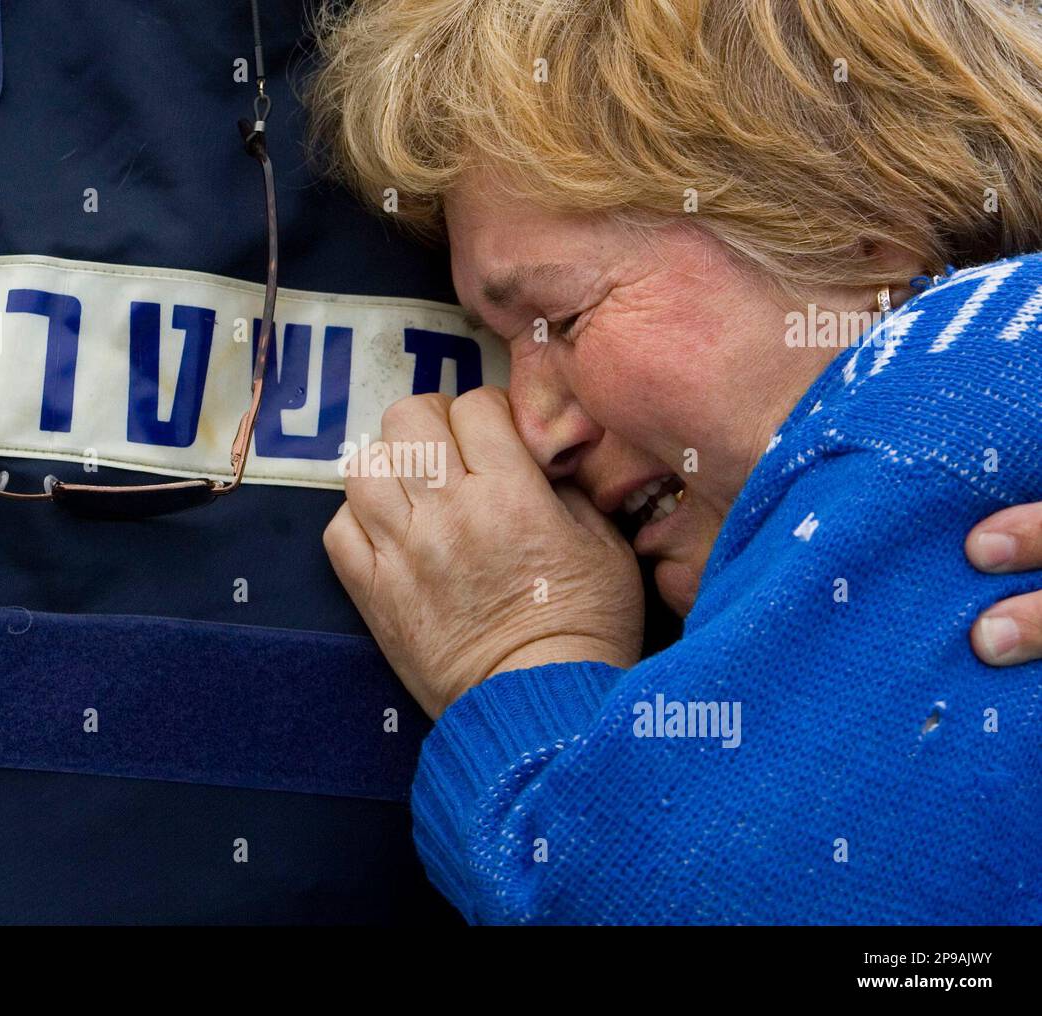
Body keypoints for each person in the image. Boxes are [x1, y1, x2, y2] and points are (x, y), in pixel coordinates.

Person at [306, 0, 1042, 922]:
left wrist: (522, 661)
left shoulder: (948, 399)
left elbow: (695, 893)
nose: (535, 431)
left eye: (563, 318)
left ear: (851, 223)